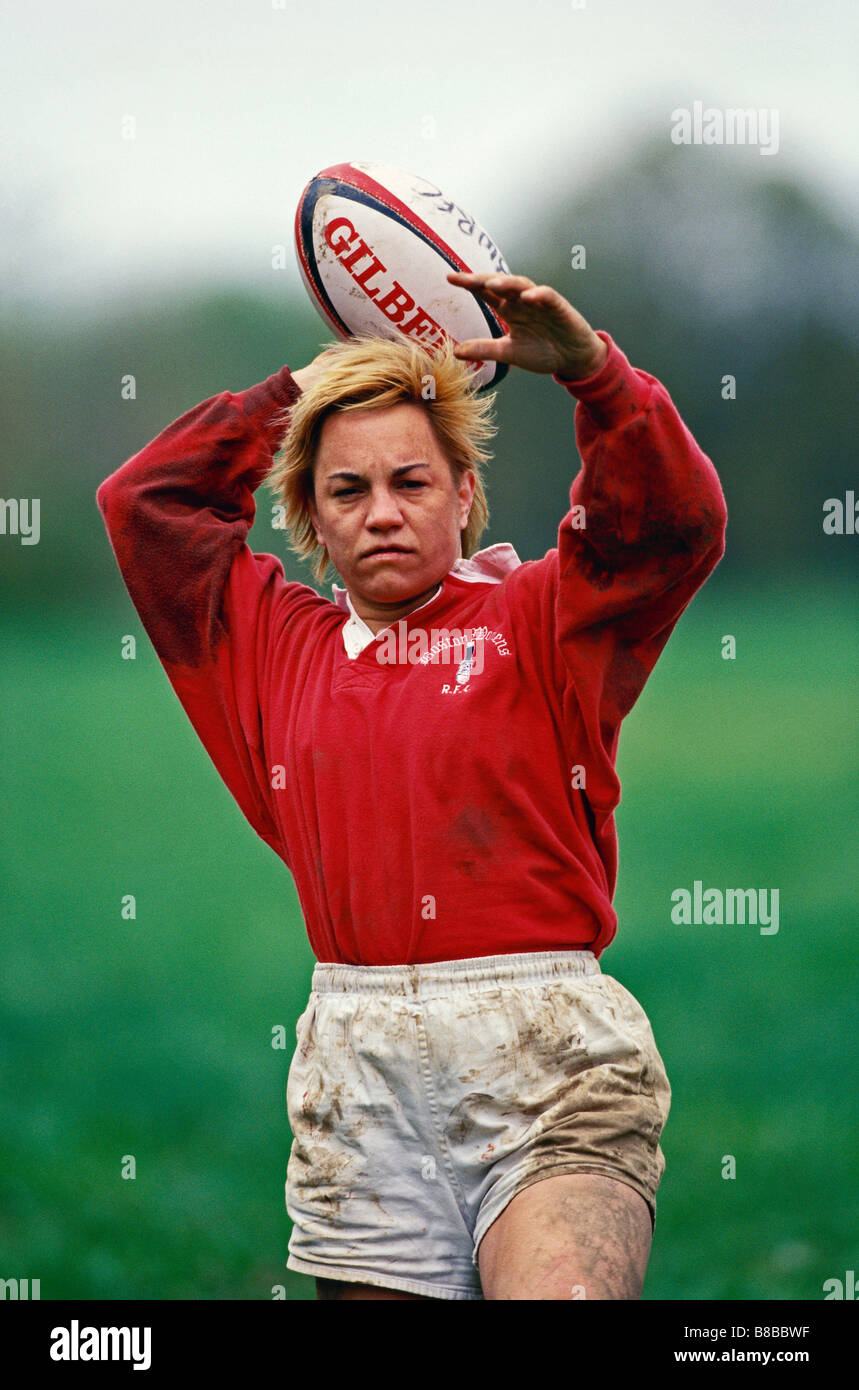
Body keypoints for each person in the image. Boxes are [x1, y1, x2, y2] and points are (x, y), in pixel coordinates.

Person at [96, 271, 727, 1300]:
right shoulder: (272, 647)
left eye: (412, 481)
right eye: (347, 489)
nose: (381, 512)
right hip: (359, 1070)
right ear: (308, 511)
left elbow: (671, 523)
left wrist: (595, 376)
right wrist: (299, 389)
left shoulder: (540, 617)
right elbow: (146, 503)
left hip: (549, 1059)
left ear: (463, 494)